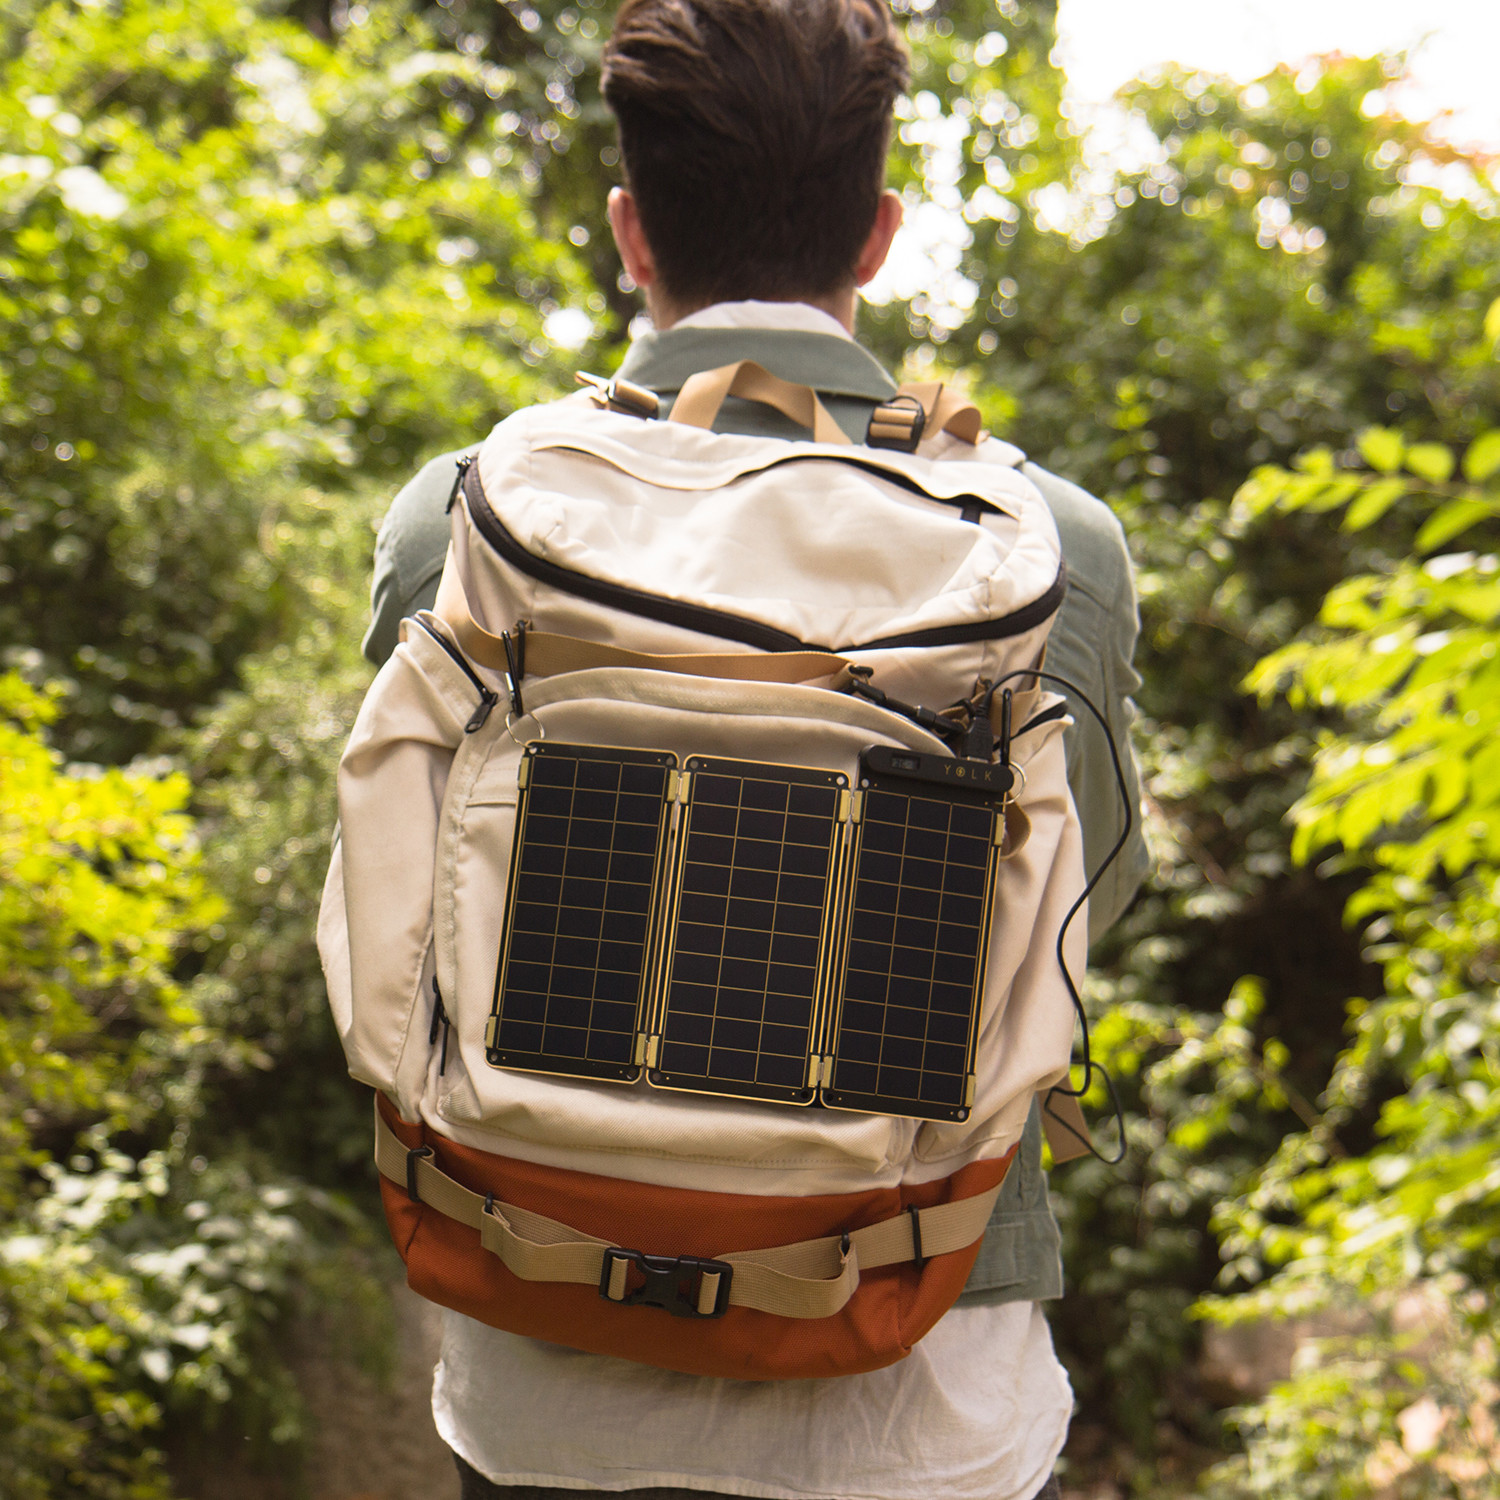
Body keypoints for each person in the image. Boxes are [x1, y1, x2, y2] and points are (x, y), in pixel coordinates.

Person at [358, 1, 1149, 1495]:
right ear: (881, 234)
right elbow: (1079, 925)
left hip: (545, 1355)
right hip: (917, 1378)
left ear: (629, 230)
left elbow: (400, 916)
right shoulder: (1054, 553)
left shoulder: (461, 518)